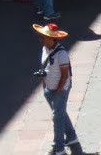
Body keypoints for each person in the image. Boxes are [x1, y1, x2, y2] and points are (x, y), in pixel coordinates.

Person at [34, 22, 84, 155]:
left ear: (52, 39)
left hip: (59, 90)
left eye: (44, 37)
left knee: (57, 118)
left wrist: (58, 91)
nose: (41, 39)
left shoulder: (62, 54)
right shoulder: (45, 49)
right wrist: (45, 86)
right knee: (61, 115)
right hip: (49, 89)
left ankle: (58, 147)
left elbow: (64, 75)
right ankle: (72, 138)